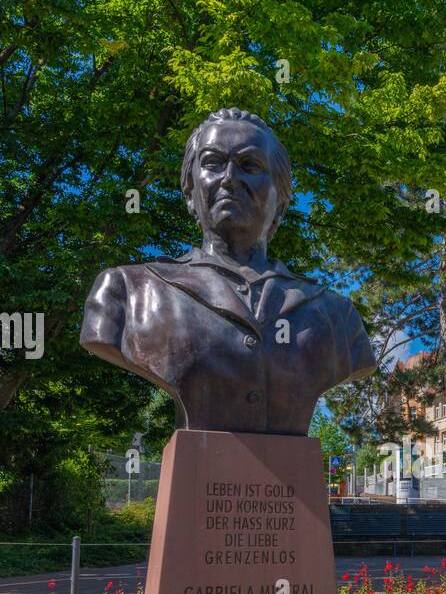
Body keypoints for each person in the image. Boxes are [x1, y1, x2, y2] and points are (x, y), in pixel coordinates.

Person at [80, 107, 376, 433]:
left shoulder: (336, 317)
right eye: (212, 163)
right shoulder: (128, 293)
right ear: (190, 193)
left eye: (250, 165)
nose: (229, 179)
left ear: (281, 201)